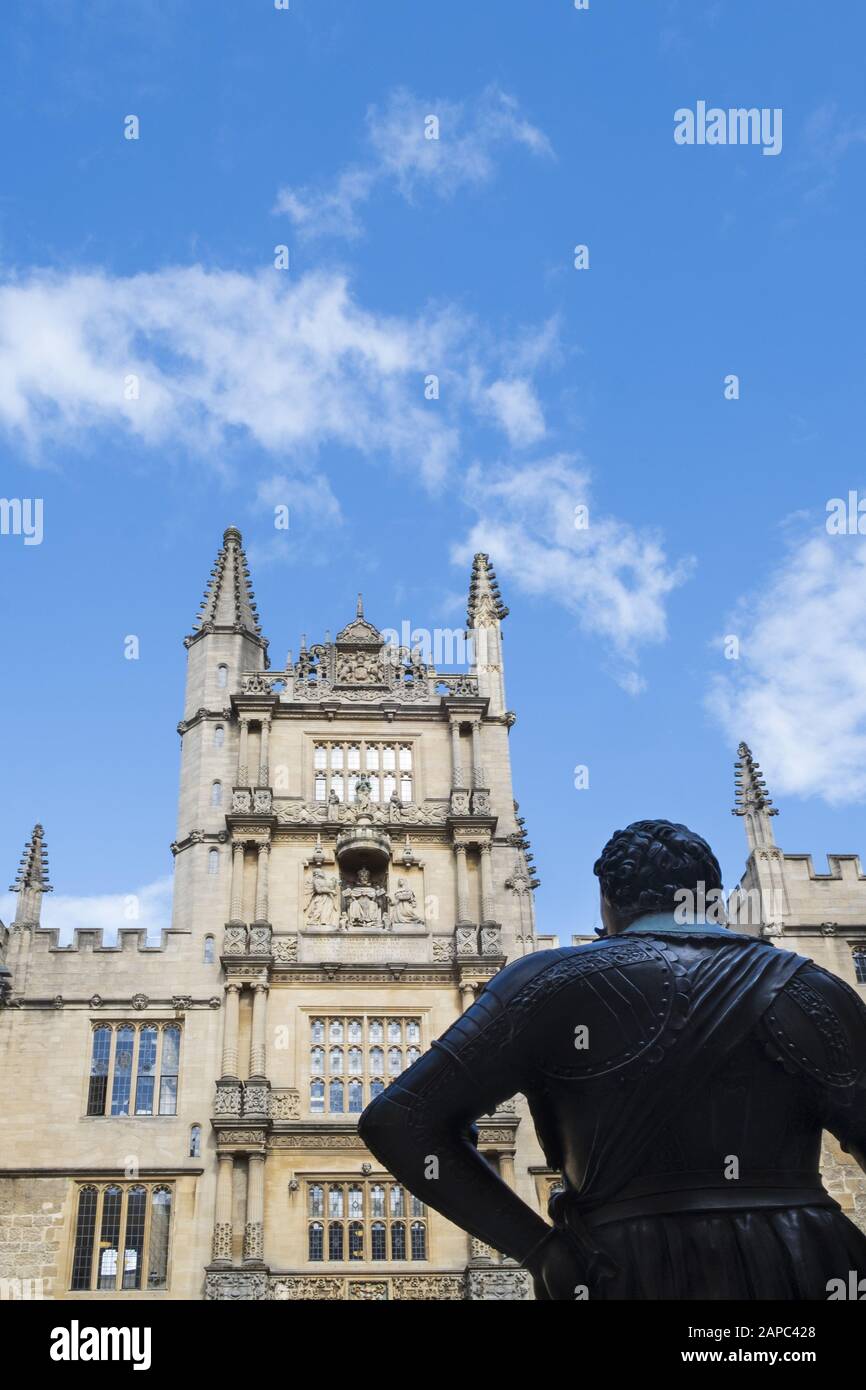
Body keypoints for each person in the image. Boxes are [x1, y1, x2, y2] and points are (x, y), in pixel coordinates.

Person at [358, 819, 866, 1299]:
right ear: (711, 899)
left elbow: (399, 1119)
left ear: (608, 902)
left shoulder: (550, 981)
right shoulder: (814, 987)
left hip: (630, 1263)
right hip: (812, 1256)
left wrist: (539, 1248)